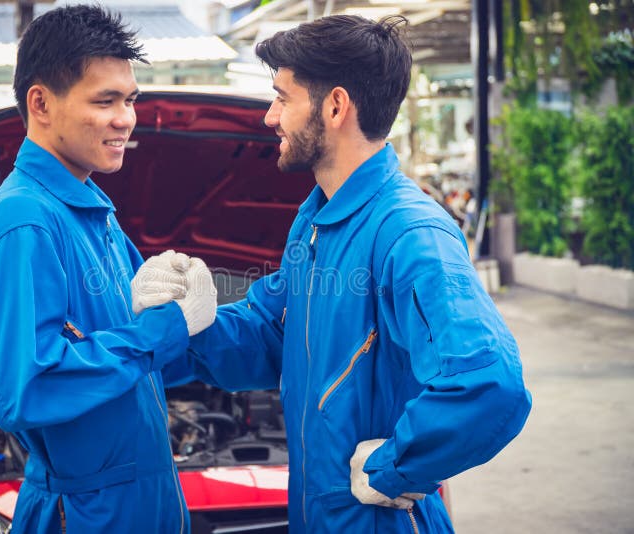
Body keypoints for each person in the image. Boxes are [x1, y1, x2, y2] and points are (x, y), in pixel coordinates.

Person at [131, 15, 532, 533]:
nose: (270, 116)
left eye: (282, 97)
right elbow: (269, 335)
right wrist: (185, 322)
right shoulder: (318, 222)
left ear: (336, 106)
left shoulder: (409, 234)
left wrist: (391, 466)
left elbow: (489, 383)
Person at [0, 5, 216, 533]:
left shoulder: (89, 210)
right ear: (41, 103)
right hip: (84, 515)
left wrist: (272, 321)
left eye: (129, 100)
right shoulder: (24, 221)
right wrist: (166, 326)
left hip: (136, 503)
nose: (125, 118)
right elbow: (25, 388)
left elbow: (154, 346)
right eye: (104, 101)